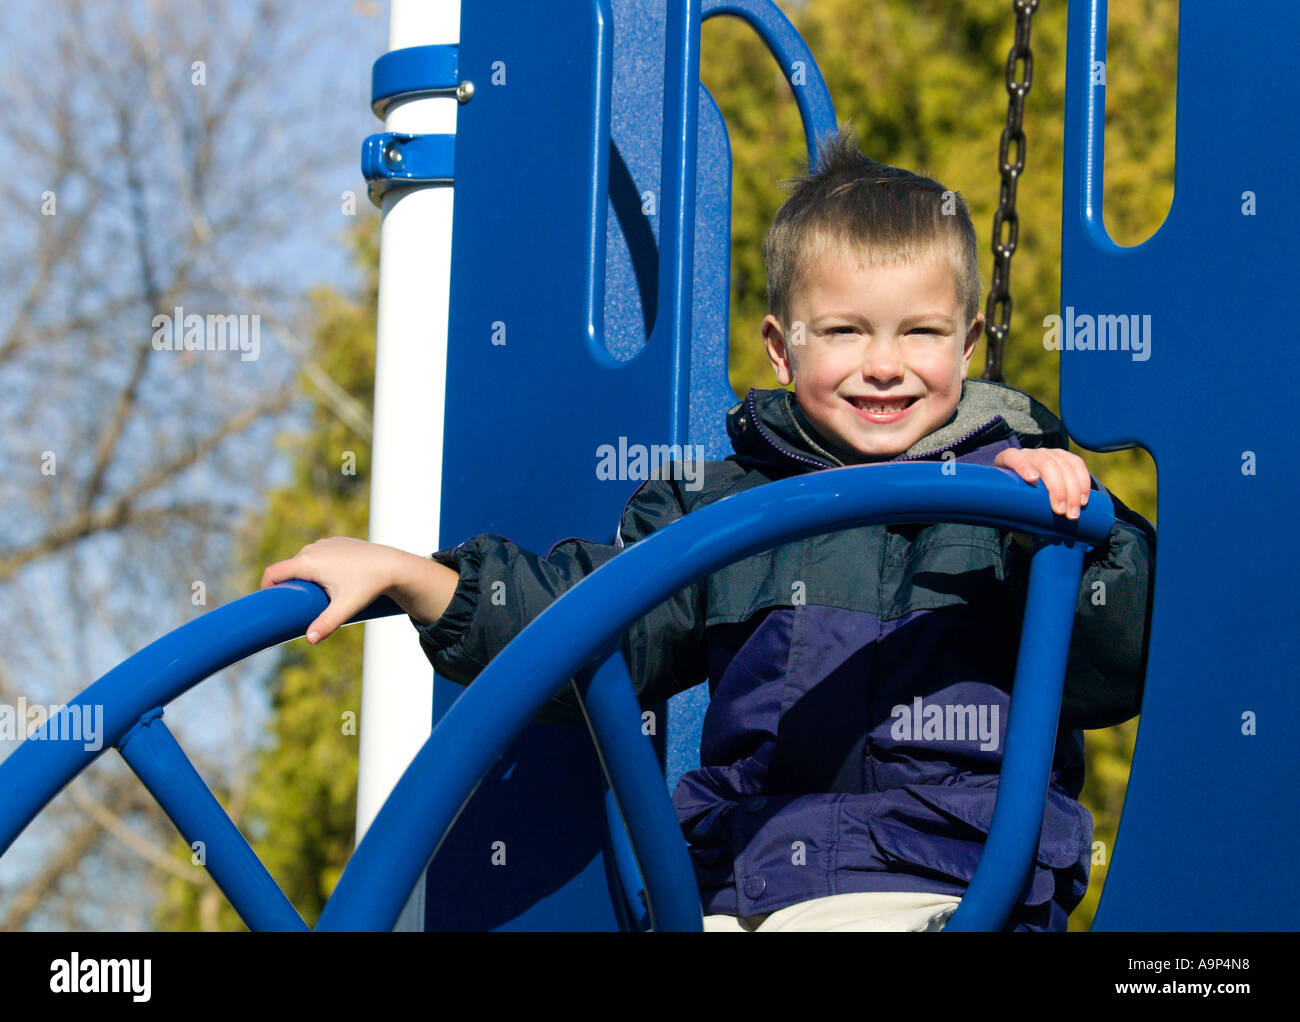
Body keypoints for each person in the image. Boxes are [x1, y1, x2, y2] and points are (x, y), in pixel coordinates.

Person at [261, 124, 1155, 931]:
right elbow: (587, 619)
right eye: (844, 331)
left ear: (966, 346)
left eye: (920, 333)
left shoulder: (1010, 501)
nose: (885, 365)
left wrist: (1071, 531)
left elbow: (1118, 661)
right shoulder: (725, 509)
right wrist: (423, 580)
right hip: (752, 886)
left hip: (946, 878)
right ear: (782, 347)